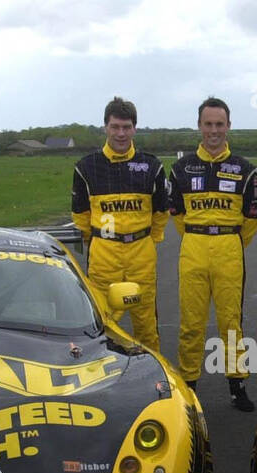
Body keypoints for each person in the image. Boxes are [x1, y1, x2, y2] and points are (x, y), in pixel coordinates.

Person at [168, 97, 257, 411]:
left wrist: (228, 241)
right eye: (208, 124)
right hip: (193, 245)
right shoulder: (180, 168)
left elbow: (251, 219)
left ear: (228, 126)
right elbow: (178, 215)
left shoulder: (244, 169)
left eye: (219, 124)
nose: (213, 131)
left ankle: (237, 385)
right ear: (199, 125)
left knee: (230, 321)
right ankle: (189, 386)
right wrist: (200, 236)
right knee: (191, 323)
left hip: (229, 248)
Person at [71, 96, 169, 351]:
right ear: (105, 127)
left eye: (126, 127)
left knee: (146, 322)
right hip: (105, 253)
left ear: (135, 128)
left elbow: (161, 212)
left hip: (141, 252)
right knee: (102, 322)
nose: (121, 133)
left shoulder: (152, 166)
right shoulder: (86, 167)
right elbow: (80, 216)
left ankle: (152, 377)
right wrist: (99, 243)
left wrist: (149, 240)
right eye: (115, 127)